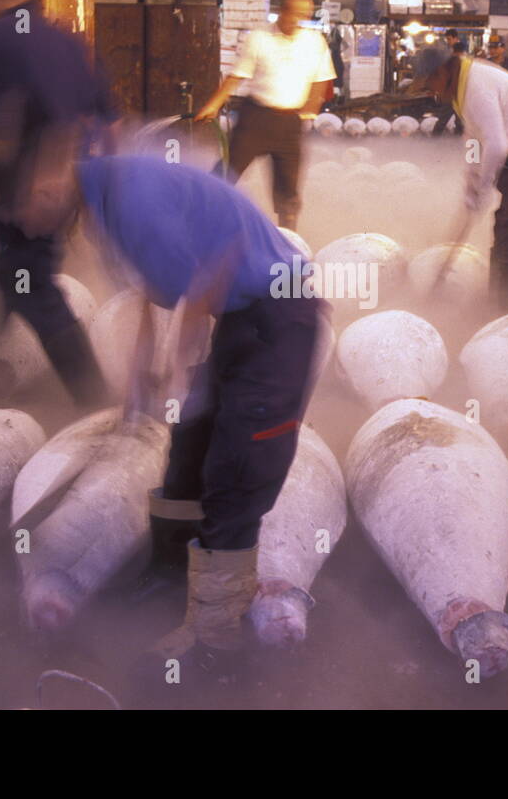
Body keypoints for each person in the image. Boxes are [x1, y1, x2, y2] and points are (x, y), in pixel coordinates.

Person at [73, 153, 325, 675]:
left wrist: (183, 363)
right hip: (241, 320)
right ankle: (170, 570)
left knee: (237, 470)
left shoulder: (133, 196)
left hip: (281, 316)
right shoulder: (108, 209)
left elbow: (220, 260)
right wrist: (142, 378)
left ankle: (216, 638)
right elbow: (149, 297)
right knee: (188, 446)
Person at [0, 0, 111, 409]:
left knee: (31, 282)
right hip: (64, 180)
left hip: (23, 184)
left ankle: (94, 397)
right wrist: (79, 187)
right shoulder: (67, 38)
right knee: (12, 271)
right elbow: (106, 114)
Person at [411, 45, 508, 314]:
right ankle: (497, 306)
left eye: (430, 83)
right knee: (505, 235)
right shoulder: (462, 86)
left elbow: (496, 144)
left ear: (441, 71)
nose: (432, 92)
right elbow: (474, 140)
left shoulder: (475, 86)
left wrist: (483, 188)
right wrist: (470, 184)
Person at [194, 0, 335, 231]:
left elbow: (322, 78)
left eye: (306, 14)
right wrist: (213, 104)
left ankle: (288, 238)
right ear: (281, 11)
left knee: (288, 190)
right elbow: (237, 75)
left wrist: (310, 107)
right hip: (256, 118)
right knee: (226, 173)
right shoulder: (259, 37)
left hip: (290, 122)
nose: (299, 19)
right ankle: (198, 221)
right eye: (295, 13)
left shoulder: (315, 41)